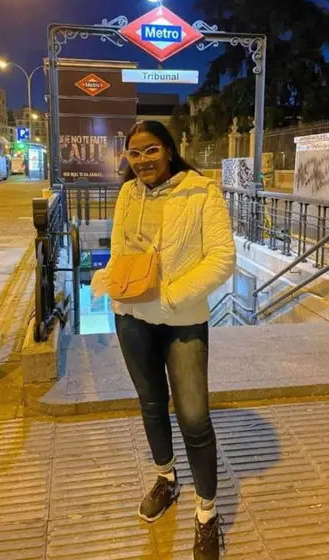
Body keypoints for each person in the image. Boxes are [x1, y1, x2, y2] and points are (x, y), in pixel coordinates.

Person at [93, 120, 235, 559]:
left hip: (181, 319)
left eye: (151, 150)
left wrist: (171, 297)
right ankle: (166, 479)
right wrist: (110, 281)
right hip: (131, 316)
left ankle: (207, 512)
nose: (142, 161)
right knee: (152, 405)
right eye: (134, 153)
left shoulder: (202, 192)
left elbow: (222, 259)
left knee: (194, 417)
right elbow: (120, 250)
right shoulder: (126, 193)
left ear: (169, 150)